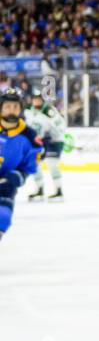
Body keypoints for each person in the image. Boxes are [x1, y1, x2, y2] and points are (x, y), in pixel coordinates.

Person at [0, 89, 44, 241]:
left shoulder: (29, 136)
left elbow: (34, 159)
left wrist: (18, 176)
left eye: (15, 107)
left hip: (6, 185)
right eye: (7, 106)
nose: (12, 110)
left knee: (3, 217)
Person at [23, 90, 67, 201]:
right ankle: (40, 190)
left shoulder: (49, 111)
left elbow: (60, 124)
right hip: (39, 141)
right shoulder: (28, 111)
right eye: (34, 99)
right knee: (35, 164)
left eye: (38, 99)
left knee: (52, 164)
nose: (36, 101)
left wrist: (54, 135)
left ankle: (58, 191)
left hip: (53, 141)